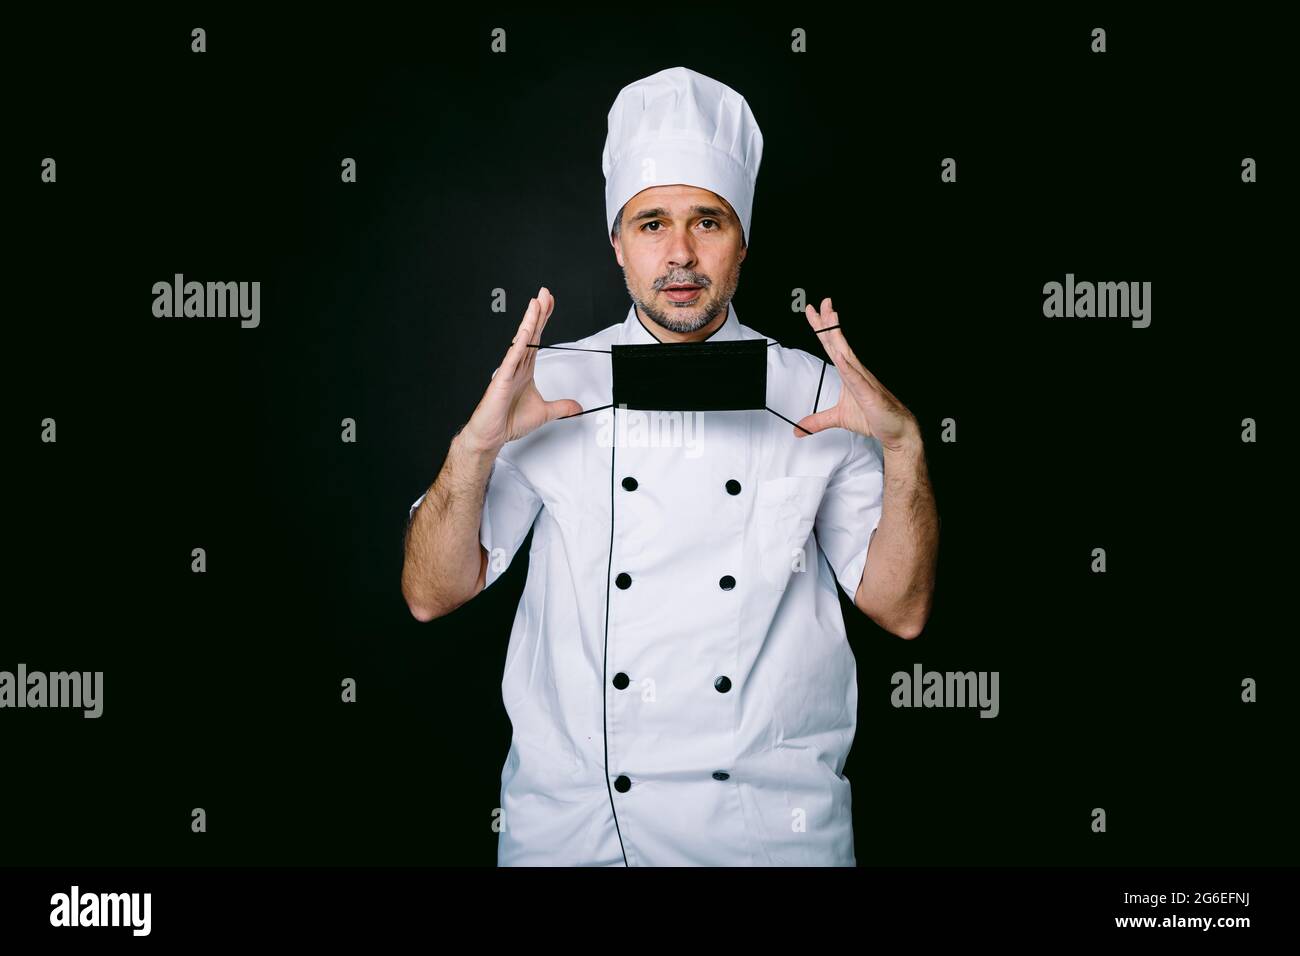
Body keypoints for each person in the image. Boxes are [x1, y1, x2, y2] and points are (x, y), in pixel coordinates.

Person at [401, 67, 939, 866]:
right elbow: (430, 595)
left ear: (742, 240)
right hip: (579, 834)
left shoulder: (823, 394)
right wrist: (473, 448)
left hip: (768, 834)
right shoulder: (546, 386)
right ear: (617, 243)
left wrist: (905, 449)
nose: (680, 255)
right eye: (652, 224)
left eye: (707, 222)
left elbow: (902, 611)